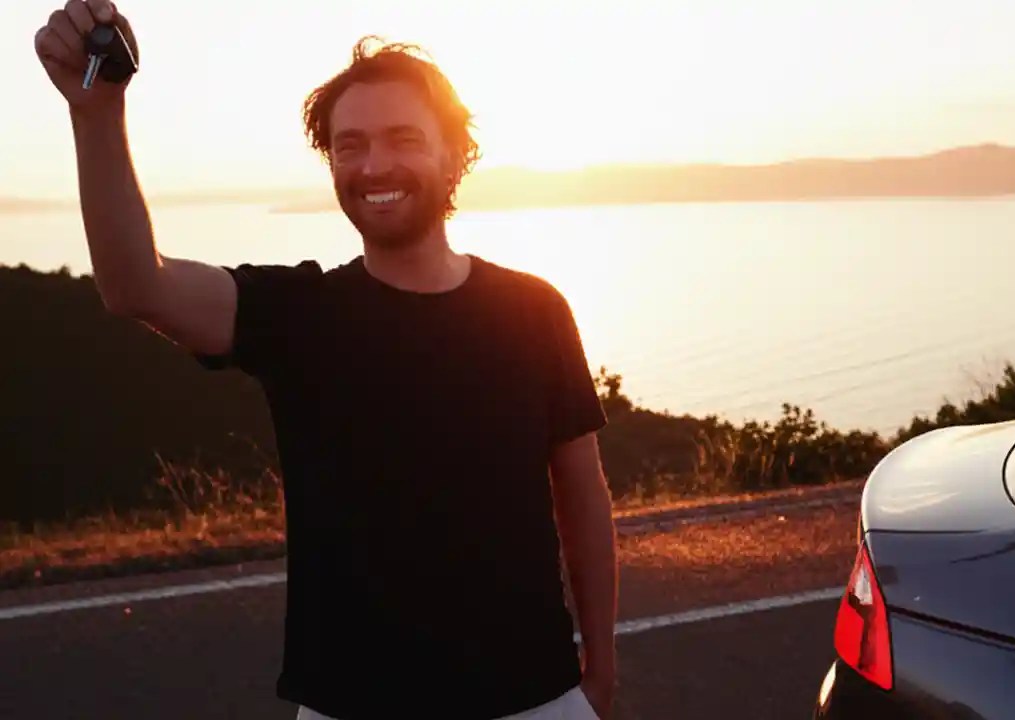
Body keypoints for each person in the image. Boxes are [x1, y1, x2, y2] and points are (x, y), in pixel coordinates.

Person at [33, 2, 619, 719]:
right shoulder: (300, 315)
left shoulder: (535, 309)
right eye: (350, 145)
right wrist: (97, 115)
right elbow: (134, 285)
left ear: (454, 152)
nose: (374, 165)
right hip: (352, 703)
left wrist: (601, 669)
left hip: (533, 698)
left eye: (403, 138)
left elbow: (582, 497)